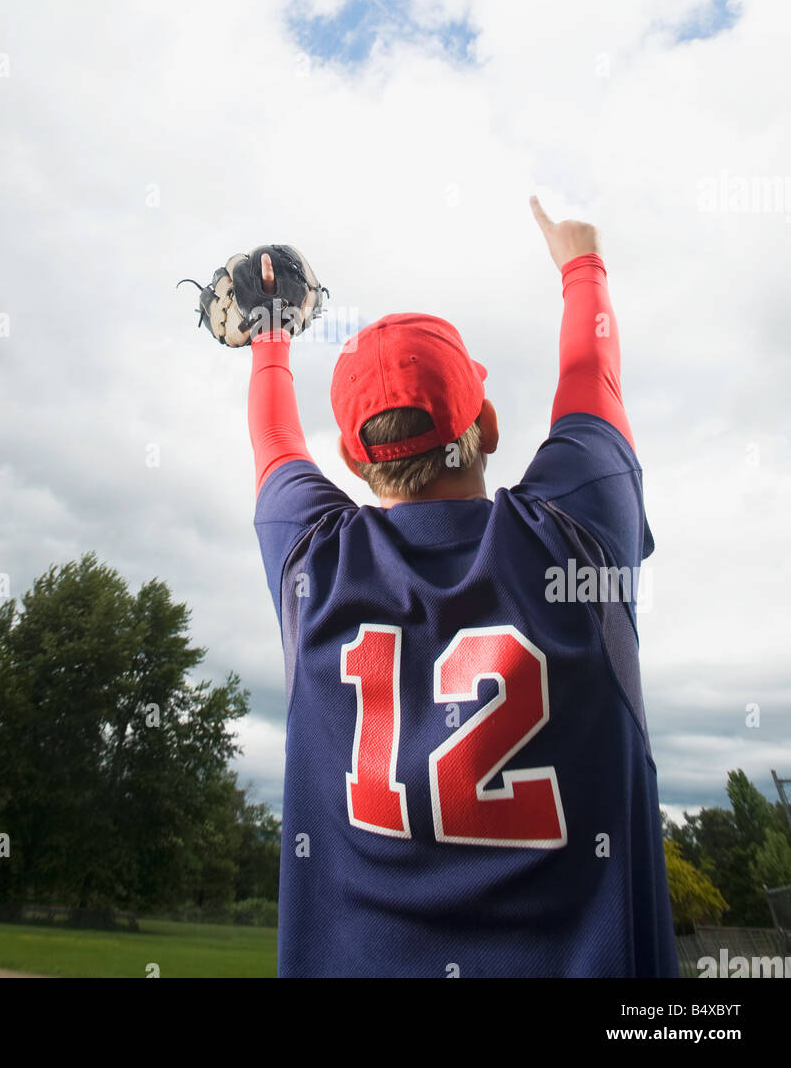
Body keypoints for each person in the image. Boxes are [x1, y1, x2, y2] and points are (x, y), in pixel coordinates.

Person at [247, 196, 678, 978]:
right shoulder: (575, 536)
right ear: (486, 424)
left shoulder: (313, 567)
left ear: (353, 462)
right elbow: (591, 375)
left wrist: (269, 344)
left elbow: (275, 439)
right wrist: (581, 263)